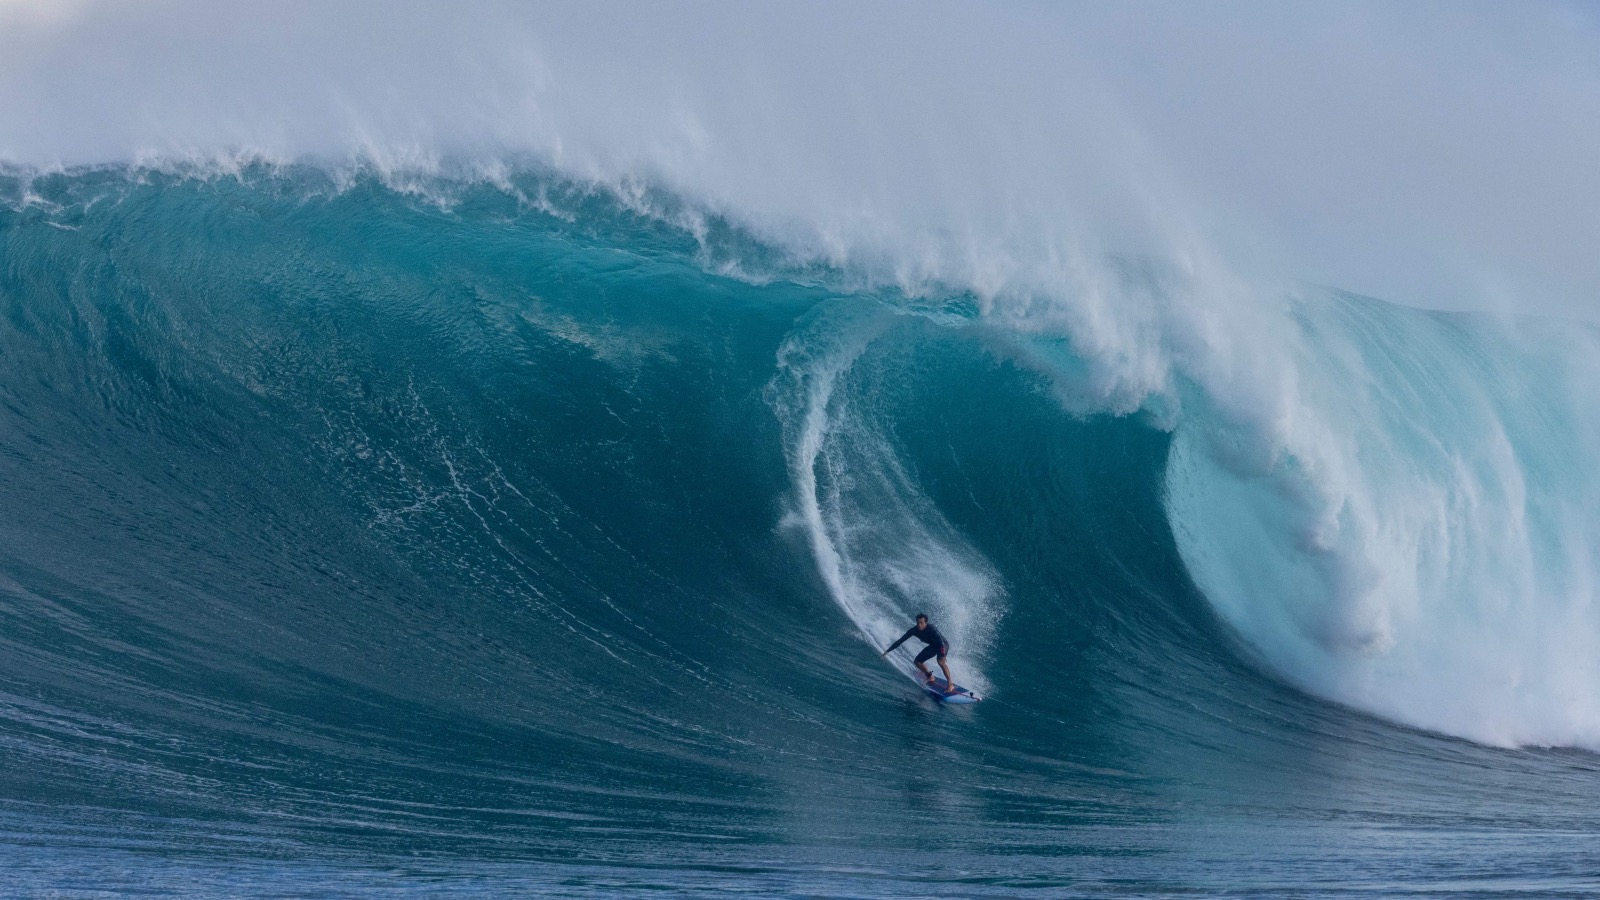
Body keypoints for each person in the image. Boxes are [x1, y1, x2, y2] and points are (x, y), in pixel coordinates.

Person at [881, 613, 955, 693]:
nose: (919, 625)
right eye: (918, 623)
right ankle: (930, 676)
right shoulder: (914, 630)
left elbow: (940, 642)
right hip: (933, 646)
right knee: (917, 661)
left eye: (921, 623)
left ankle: (950, 684)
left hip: (942, 645)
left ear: (925, 622)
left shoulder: (931, 628)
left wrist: (943, 655)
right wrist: (887, 651)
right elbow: (900, 641)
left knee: (940, 661)